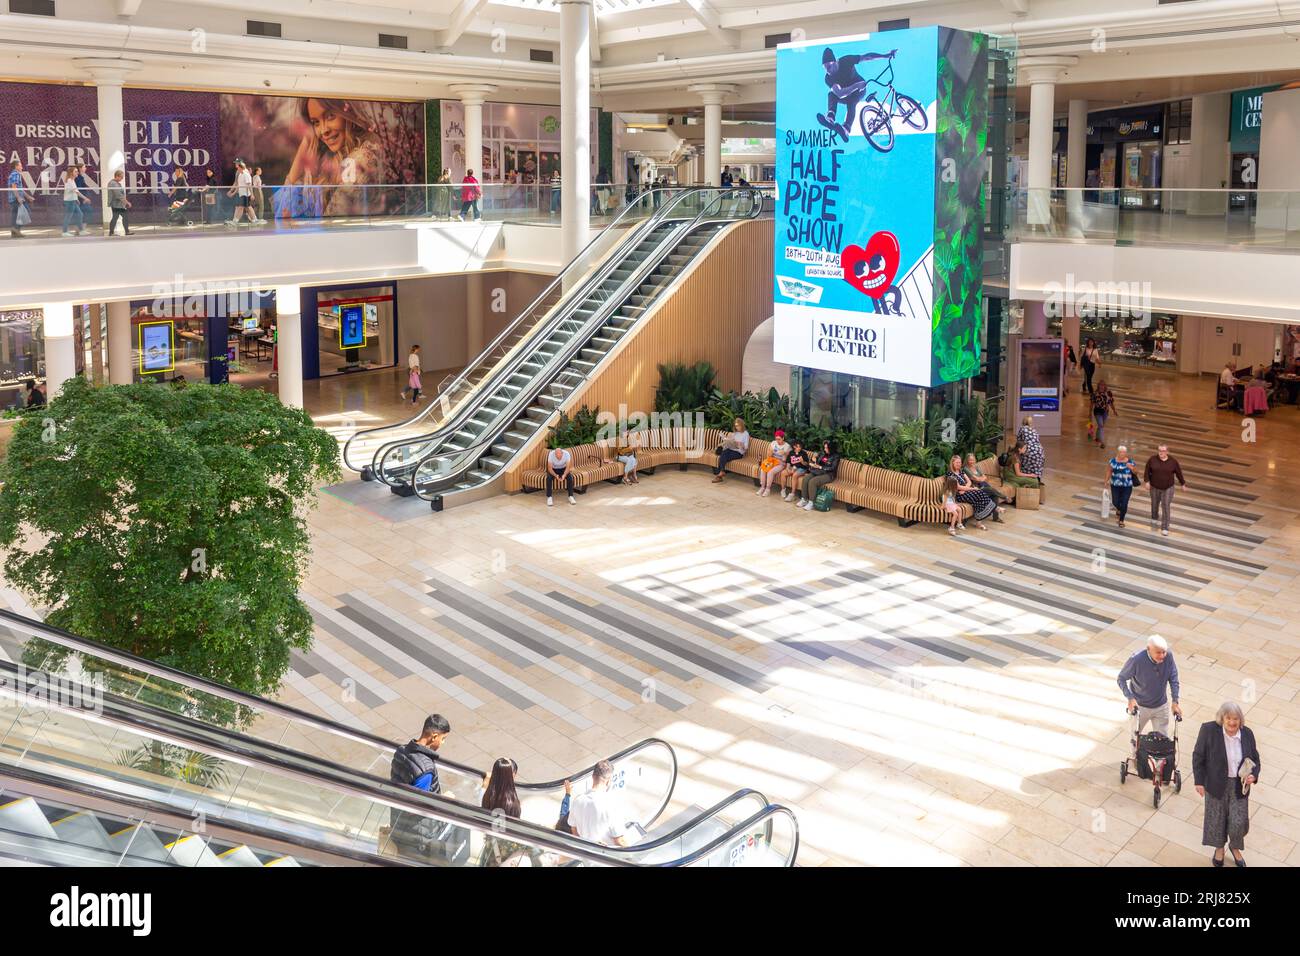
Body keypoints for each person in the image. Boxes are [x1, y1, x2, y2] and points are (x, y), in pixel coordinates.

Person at [1192, 701, 1260, 868]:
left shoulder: (1247, 734)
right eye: (1228, 718)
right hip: (1216, 784)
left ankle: (1235, 846)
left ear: (1240, 720)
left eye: (1235, 718)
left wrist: (1254, 775)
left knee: (1238, 822)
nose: (1232, 722)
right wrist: (1199, 781)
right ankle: (1219, 849)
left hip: (1239, 785)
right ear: (1222, 718)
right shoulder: (1208, 730)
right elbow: (1198, 756)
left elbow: (1256, 759)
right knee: (1216, 820)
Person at [387, 714, 454, 860]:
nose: (443, 743)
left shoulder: (401, 751)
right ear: (434, 736)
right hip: (417, 837)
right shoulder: (426, 769)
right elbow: (417, 807)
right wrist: (443, 799)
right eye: (443, 739)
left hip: (398, 825)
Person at [817, 45, 897, 141]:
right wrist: (855, 86)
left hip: (860, 90)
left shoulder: (846, 60)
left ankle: (846, 128)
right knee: (831, 94)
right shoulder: (828, 78)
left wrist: (885, 56)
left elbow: (867, 57)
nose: (828, 71)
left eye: (829, 67)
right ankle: (830, 118)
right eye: (825, 68)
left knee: (852, 101)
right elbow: (839, 94)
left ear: (835, 62)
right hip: (850, 90)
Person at [479, 757, 544, 867]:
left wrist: (484, 784)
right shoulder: (509, 802)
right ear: (511, 775)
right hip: (505, 849)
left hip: (491, 845)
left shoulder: (488, 795)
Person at [1116, 635, 1182, 737]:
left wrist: (1175, 701)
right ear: (1148, 649)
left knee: (1162, 740)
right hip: (1140, 707)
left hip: (1161, 706)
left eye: (1163, 652)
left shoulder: (1168, 656)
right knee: (1135, 738)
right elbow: (1121, 678)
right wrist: (1130, 698)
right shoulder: (1136, 660)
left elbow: (1173, 678)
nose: (1162, 656)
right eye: (1158, 653)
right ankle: (1134, 753)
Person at [568, 759, 629, 847]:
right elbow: (619, 840)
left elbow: (574, 830)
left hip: (586, 854)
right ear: (609, 781)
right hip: (605, 856)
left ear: (593, 777)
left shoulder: (577, 801)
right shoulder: (611, 804)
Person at [1144, 444, 1187, 537]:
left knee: (1166, 506)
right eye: (1159, 450)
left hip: (1168, 487)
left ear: (1167, 452)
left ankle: (1165, 527)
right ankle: (1154, 517)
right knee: (1154, 503)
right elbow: (1147, 470)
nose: (1161, 453)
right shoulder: (1152, 459)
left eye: (1163, 451)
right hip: (1154, 486)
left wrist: (1182, 483)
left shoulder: (1173, 462)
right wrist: (1147, 481)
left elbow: (1179, 473)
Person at [947, 454, 998, 529]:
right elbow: (957, 487)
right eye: (957, 462)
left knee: (978, 499)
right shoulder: (950, 474)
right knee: (979, 493)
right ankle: (994, 508)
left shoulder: (961, 471)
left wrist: (965, 488)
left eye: (960, 462)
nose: (959, 464)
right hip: (959, 495)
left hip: (965, 492)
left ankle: (979, 522)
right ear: (953, 463)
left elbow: (969, 482)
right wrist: (972, 489)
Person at [800, 439, 841, 511]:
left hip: (829, 474)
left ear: (831, 448)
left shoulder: (836, 456)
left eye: (827, 448)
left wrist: (820, 467)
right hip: (818, 471)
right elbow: (816, 461)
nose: (825, 449)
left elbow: (833, 468)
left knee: (813, 481)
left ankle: (811, 502)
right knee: (806, 478)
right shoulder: (822, 453)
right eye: (824, 447)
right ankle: (804, 499)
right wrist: (814, 459)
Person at [1106, 445, 1137, 528]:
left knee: (1124, 503)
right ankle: (1119, 509)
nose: (1122, 454)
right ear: (1118, 452)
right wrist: (1106, 481)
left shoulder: (1130, 462)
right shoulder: (1112, 461)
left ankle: (1121, 520)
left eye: (1124, 452)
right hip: (1115, 485)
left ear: (1126, 453)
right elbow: (1109, 471)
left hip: (1127, 486)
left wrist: (1132, 468)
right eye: (1121, 452)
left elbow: (1136, 472)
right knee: (1115, 502)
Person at [711, 416, 750, 483]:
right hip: (731, 449)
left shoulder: (746, 434)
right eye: (736, 426)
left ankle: (720, 474)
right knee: (724, 453)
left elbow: (746, 447)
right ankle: (722, 472)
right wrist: (727, 439)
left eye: (738, 426)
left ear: (741, 425)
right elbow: (731, 441)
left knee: (724, 456)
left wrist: (741, 445)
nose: (737, 427)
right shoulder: (735, 433)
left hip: (739, 452)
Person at [758, 429, 790, 498]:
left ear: (783, 438)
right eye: (776, 439)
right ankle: (762, 487)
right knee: (763, 469)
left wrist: (784, 453)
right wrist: (770, 452)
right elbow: (768, 456)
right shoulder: (773, 443)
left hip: (781, 463)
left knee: (770, 472)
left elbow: (788, 460)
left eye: (779, 439)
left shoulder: (787, 446)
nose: (777, 441)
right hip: (772, 461)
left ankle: (768, 489)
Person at [1015, 415, 1046, 481]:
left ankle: (1028, 480)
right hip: (1039, 449)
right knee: (1037, 465)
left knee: (1026, 465)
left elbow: (1019, 442)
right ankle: (1037, 480)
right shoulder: (1033, 429)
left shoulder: (1022, 428)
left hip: (1029, 449)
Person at [61, 165, 88, 236]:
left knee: (80, 214)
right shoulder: (69, 181)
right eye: (75, 171)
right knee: (68, 216)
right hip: (69, 202)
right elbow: (77, 192)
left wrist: (76, 199)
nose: (77, 173)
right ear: (71, 173)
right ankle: (64, 232)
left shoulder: (72, 180)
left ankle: (81, 230)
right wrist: (85, 198)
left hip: (73, 201)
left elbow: (73, 191)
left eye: (77, 171)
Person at [226, 159, 255, 225]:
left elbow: (249, 184)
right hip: (241, 193)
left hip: (245, 193)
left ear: (240, 165)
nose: (235, 165)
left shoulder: (245, 173)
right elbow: (238, 183)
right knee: (244, 207)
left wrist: (252, 194)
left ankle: (236, 221)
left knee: (243, 207)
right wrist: (232, 191)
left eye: (237, 163)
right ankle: (253, 219)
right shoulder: (240, 173)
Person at [8, 159, 31, 238]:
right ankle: (16, 230)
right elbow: (14, 186)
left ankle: (14, 231)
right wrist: (18, 198)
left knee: (16, 215)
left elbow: (19, 188)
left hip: (14, 199)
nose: (22, 167)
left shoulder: (14, 174)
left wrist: (27, 196)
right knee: (25, 212)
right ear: (16, 166)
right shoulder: (16, 174)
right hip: (16, 199)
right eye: (20, 166)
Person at [1091, 379, 1117, 448]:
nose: (1101, 386)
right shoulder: (1095, 393)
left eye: (1103, 385)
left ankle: (1097, 438)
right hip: (1097, 412)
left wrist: (1114, 410)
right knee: (1101, 426)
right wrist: (1089, 413)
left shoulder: (1108, 393)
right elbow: (1092, 404)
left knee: (1101, 426)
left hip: (1105, 412)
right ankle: (1102, 442)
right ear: (1098, 385)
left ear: (1105, 386)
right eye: (1100, 385)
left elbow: (1111, 403)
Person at [106, 169, 131, 236]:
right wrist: (127, 202)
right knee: (123, 217)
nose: (122, 179)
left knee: (116, 217)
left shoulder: (116, 183)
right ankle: (125, 231)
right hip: (116, 204)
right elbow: (119, 195)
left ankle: (112, 232)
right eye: (121, 177)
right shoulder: (113, 184)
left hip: (118, 204)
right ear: (117, 176)